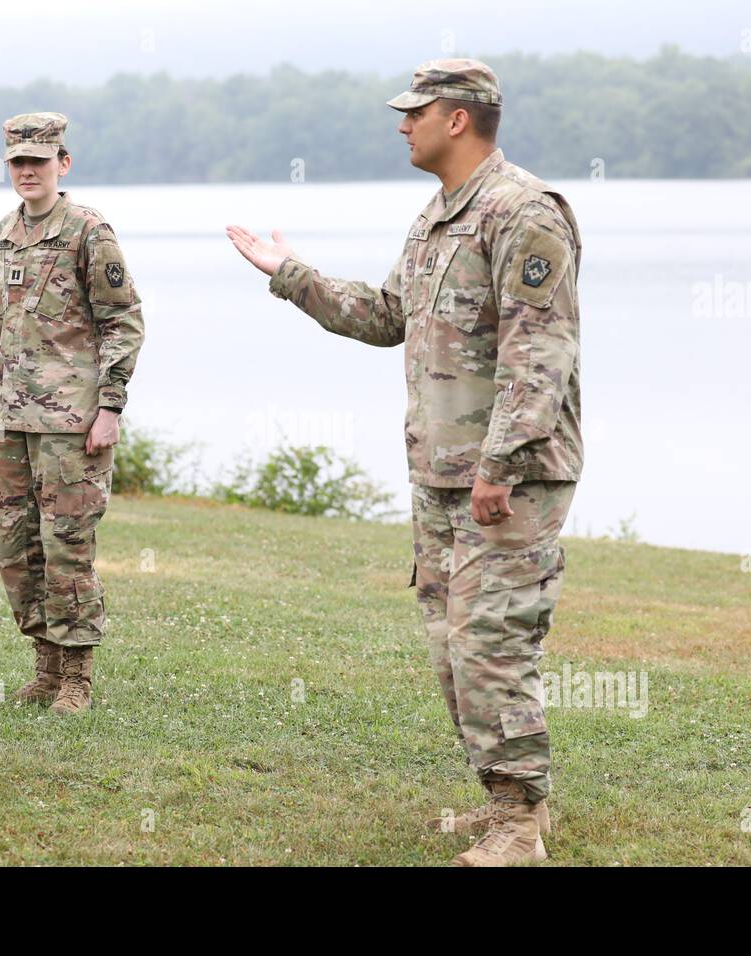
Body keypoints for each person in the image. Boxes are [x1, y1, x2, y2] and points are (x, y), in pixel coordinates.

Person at [225, 59, 583, 866]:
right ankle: (509, 803)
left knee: (492, 641)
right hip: (443, 472)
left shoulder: (524, 213)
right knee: (453, 647)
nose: (401, 124)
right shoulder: (435, 220)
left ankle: (519, 830)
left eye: (413, 111)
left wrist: (499, 464)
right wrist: (291, 275)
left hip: (508, 477)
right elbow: (388, 316)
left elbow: (541, 356)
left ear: (457, 118)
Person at [0, 111, 144, 715]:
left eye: (38, 162)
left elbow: (123, 323)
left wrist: (110, 407)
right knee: (18, 547)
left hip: (72, 424)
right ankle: (44, 668)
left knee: (68, 544)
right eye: (18, 162)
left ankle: (77, 677)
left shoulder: (88, 233)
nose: (27, 171)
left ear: (62, 165)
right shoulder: (2, 233)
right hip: (10, 422)